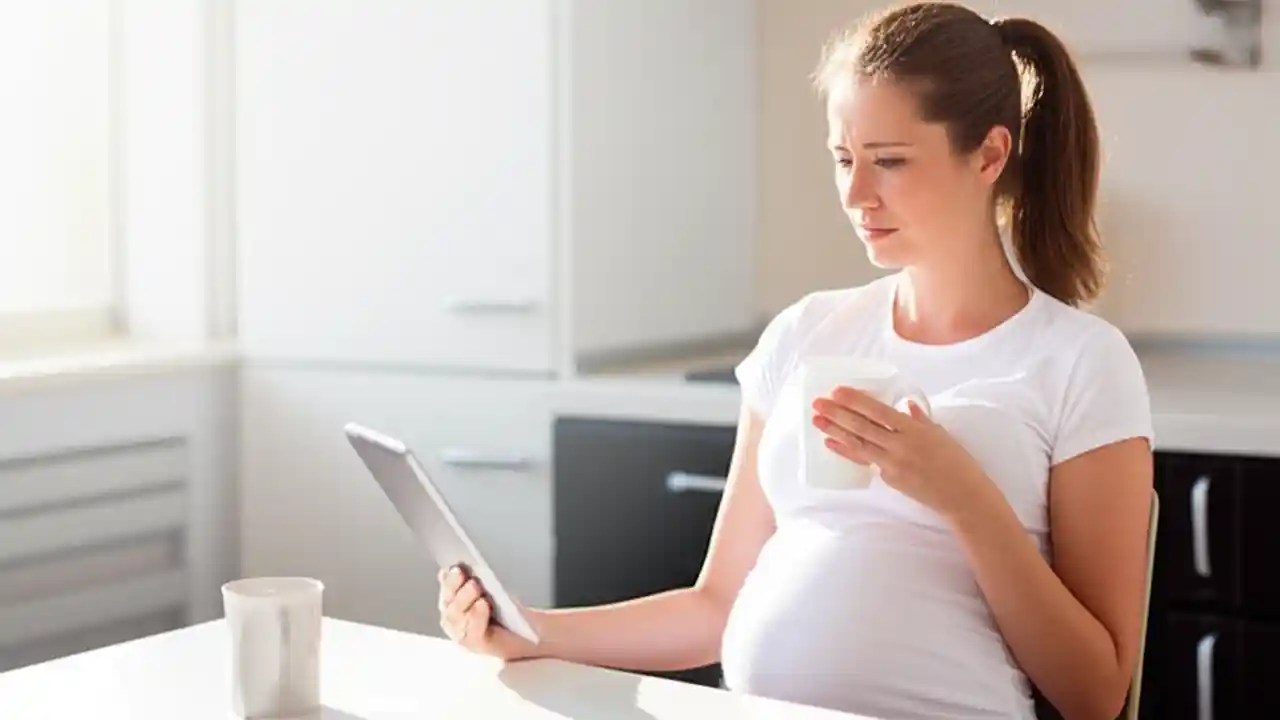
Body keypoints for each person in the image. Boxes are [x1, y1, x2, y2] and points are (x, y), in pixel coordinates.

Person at [436, 3, 1155, 718]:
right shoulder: (807, 332)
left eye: (890, 161)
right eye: (844, 159)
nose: (856, 194)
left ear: (990, 155)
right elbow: (714, 606)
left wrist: (966, 499)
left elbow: (1095, 695)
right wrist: (530, 632)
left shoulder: (1081, 362)